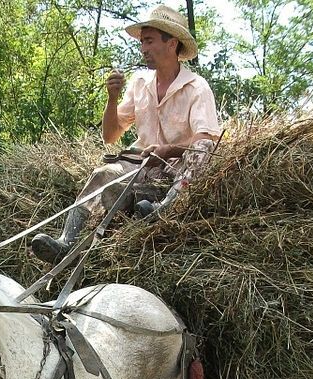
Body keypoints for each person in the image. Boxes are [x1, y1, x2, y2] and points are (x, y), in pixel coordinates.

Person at [31, 4, 222, 264]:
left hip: (179, 168)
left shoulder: (196, 87)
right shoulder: (140, 83)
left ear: (171, 43)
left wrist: (169, 150)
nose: (143, 48)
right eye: (142, 41)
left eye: (149, 41)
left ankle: (164, 208)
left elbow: (207, 138)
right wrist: (112, 98)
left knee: (203, 149)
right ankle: (67, 241)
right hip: (141, 165)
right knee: (102, 174)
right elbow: (110, 136)